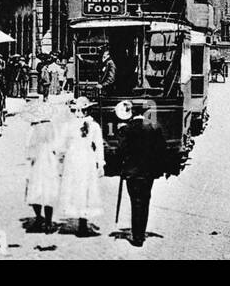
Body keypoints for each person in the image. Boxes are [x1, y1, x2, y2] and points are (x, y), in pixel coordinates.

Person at [116, 100, 166, 248]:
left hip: (131, 173)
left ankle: (136, 235)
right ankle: (141, 235)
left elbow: (121, 151)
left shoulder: (127, 129)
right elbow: (161, 150)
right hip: (147, 173)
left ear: (132, 113)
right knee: (144, 202)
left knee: (134, 202)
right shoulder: (154, 127)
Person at [59, 97, 105, 237]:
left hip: (73, 159)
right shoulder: (95, 126)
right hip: (87, 158)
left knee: (75, 188)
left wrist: (60, 159)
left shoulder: (69, 125)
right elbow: (99, 147)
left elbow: (62, 144)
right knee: (86, 189)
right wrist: (100, 163)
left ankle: (79, 218)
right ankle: (83, 222)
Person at [24, 104, 62, 233]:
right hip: (49, 163)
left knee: (36, 189)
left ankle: (39, 217)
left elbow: (28, 146)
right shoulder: (52, 127)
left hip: (37, 162)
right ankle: (48, 221)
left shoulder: (33, 128)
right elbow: (57, 146)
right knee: (48, 189)